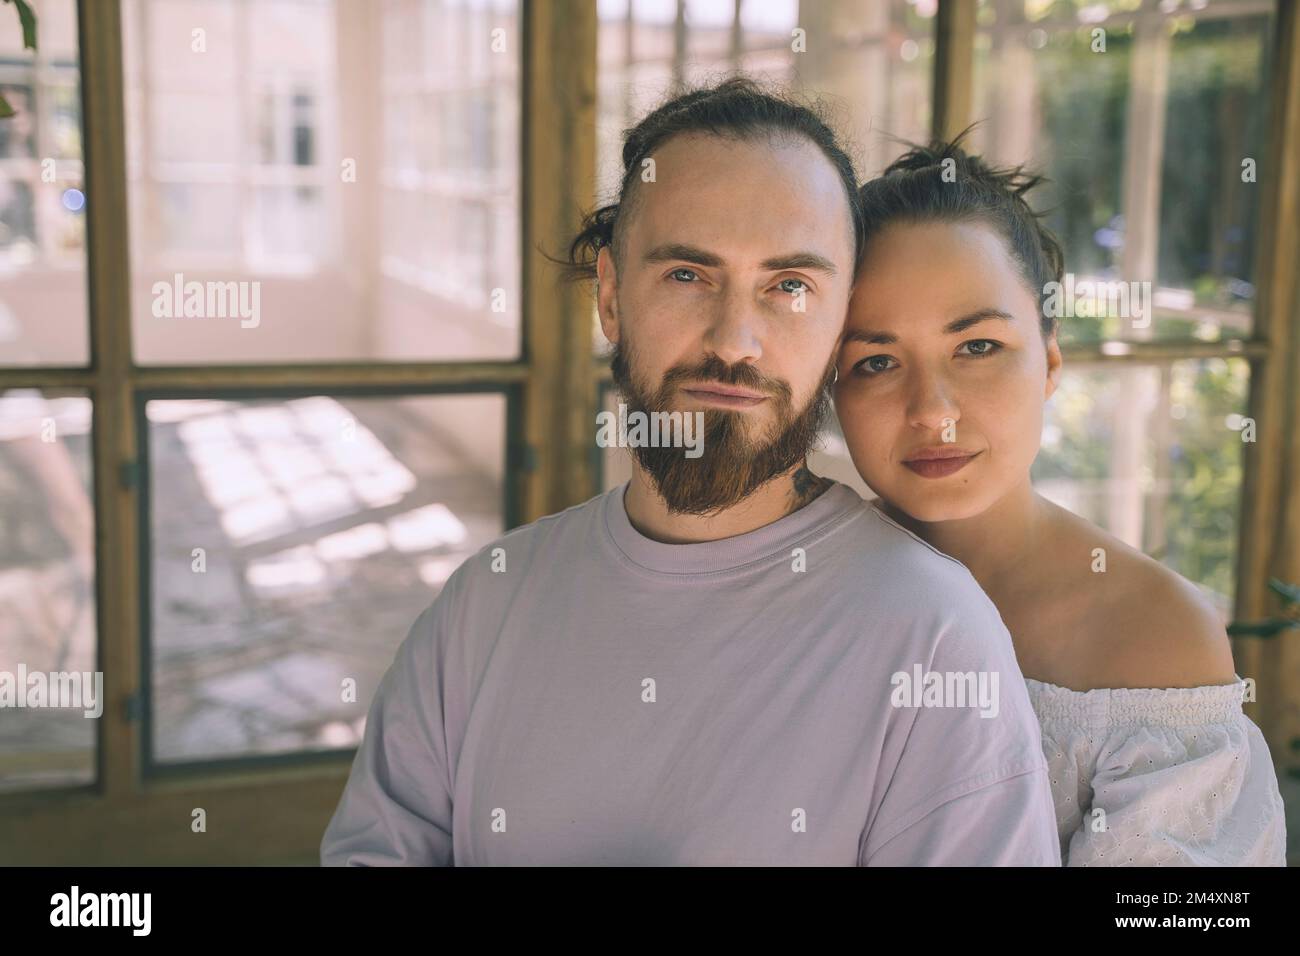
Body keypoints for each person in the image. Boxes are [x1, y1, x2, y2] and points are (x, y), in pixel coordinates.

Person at [321, 79, 1060, 866]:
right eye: (687, 275)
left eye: (790, 287)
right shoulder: (482, 604)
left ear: (840, 320)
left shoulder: (937, 640)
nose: (736, 340)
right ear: (610, 296)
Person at [834, 135, 1287, 866]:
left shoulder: (1155, 638)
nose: (932, 410)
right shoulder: (799, 586)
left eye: (977, 346)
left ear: (1048, 360)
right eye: (875, 361)